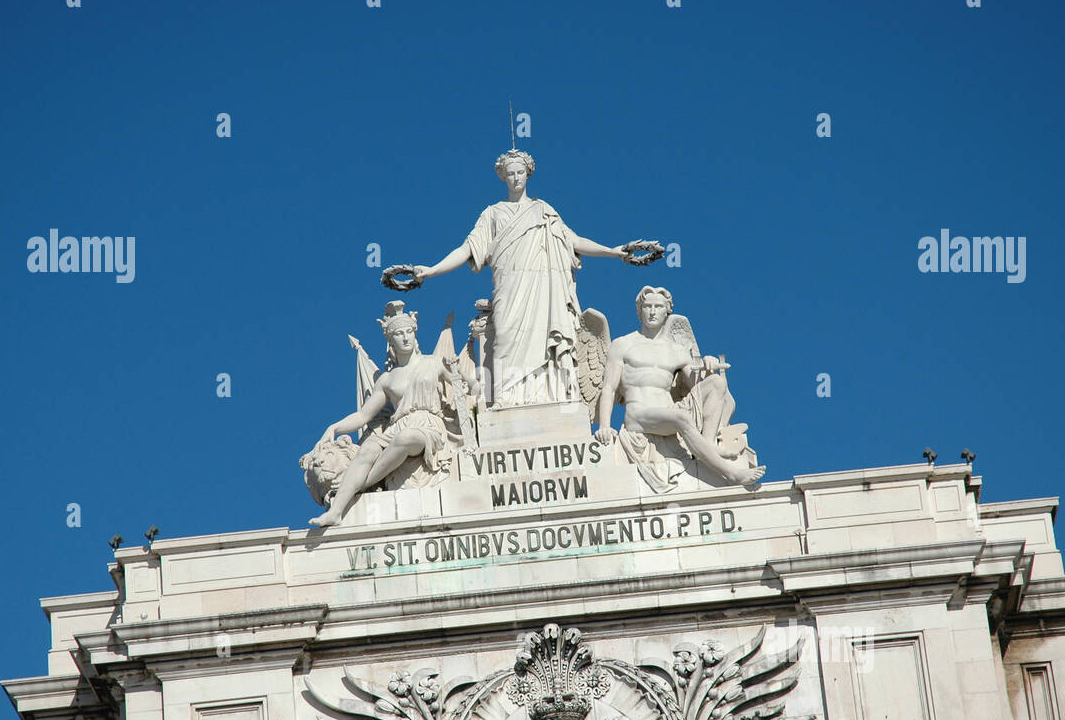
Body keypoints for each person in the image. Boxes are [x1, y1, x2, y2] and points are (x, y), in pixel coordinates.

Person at [413, 149, 631, 406]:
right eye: (510, 174)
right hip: (509, 288)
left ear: (528, 174)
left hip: (543, 289)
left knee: (545, 335)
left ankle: (550, 396)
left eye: (520, 172)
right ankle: (505, 398)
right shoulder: (493, 214)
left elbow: (575, 241)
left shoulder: (544, 211)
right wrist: (432, 270)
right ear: (503, 177)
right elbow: (467, 249)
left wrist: (612, 252)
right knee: (504, 338)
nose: (516, 178)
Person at [594, 286, 764, 486]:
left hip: (669, 411)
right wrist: (604, 426)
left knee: (717, 383)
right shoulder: (623, 344)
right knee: (681, 417)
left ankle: (707, 444)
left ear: (667, 311)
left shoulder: (677, 350)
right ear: (640, 310)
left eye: (658, 307)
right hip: (638, 414)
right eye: (647, 306)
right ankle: (731, 473)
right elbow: (609, 388)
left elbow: (698, 386)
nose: (652, 311)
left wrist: (708, 366)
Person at [308, 302, 458, 527]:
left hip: (427, 425)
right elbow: (363, 416)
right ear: (391, 340)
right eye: (399, 334)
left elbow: (463, 384)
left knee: (406, 438)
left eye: (409, 332)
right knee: (368, 448)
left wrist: (469, 380)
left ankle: (360, 485)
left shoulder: (433, 363)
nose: (405, 338)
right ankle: (336, 512)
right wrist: (334, 428)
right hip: (398, 426)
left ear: (415, 333)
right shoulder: (387, 380)